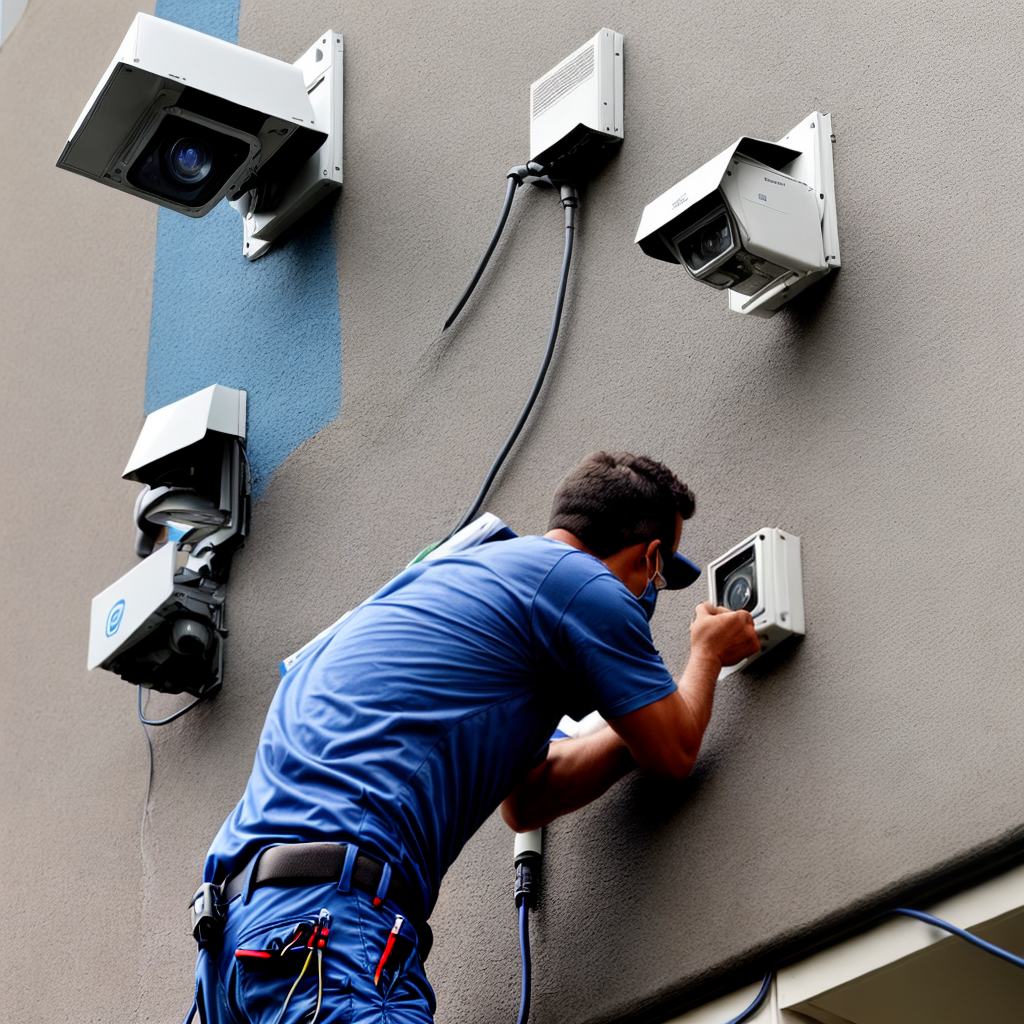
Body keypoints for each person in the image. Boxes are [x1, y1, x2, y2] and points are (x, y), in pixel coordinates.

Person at [187, 451, 760, 1024]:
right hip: (330, 927)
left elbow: (529, 797)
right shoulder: (578, 580)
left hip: (238, 941)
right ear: (650, 556)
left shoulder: (459, 583)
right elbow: (676, 750)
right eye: (659, 578)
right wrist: (706, 656)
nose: (653, 592)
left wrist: (632, 723)